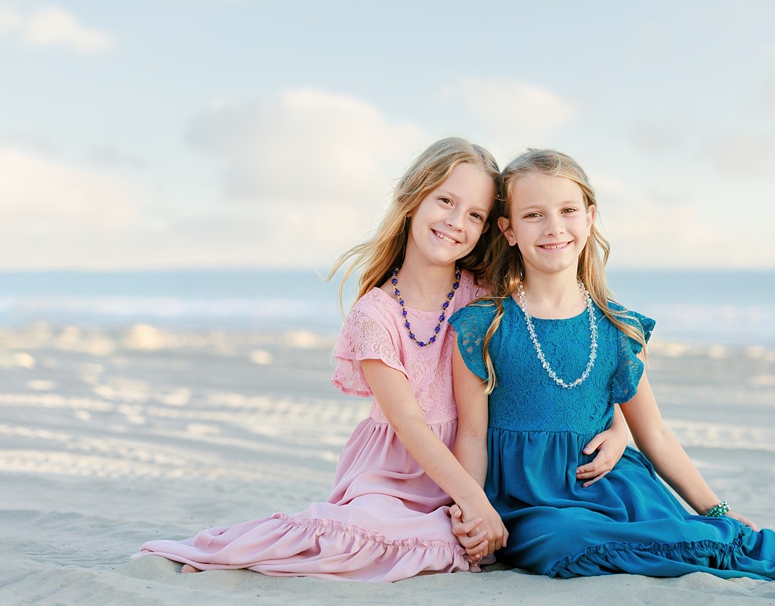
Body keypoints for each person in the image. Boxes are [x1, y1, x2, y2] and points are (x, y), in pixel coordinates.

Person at [136, 138, 627, 582]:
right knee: (368, 535)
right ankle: (219, 549)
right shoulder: (376, 314)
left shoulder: (487, 299)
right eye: (446, 201)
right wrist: (476, 505)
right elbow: (410, 424)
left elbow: (573, 360)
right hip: (396, 473)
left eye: (475, 214)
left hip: (472, 466)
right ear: (413, 202)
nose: (457, 222)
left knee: (442, 542)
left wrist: (621, 427)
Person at [448, 148, 775, 579]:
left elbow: (654, 433)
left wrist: (716, 507)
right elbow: (472, 433)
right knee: (564, 537)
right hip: (529, 500)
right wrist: (476, 511)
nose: (554, 227)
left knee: (697, 533)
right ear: (509, 230)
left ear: (590, 218)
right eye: (534, 215)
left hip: (609, 484)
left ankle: (699, 537)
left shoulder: (616, 327)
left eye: (568, 210)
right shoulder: (484, 323)